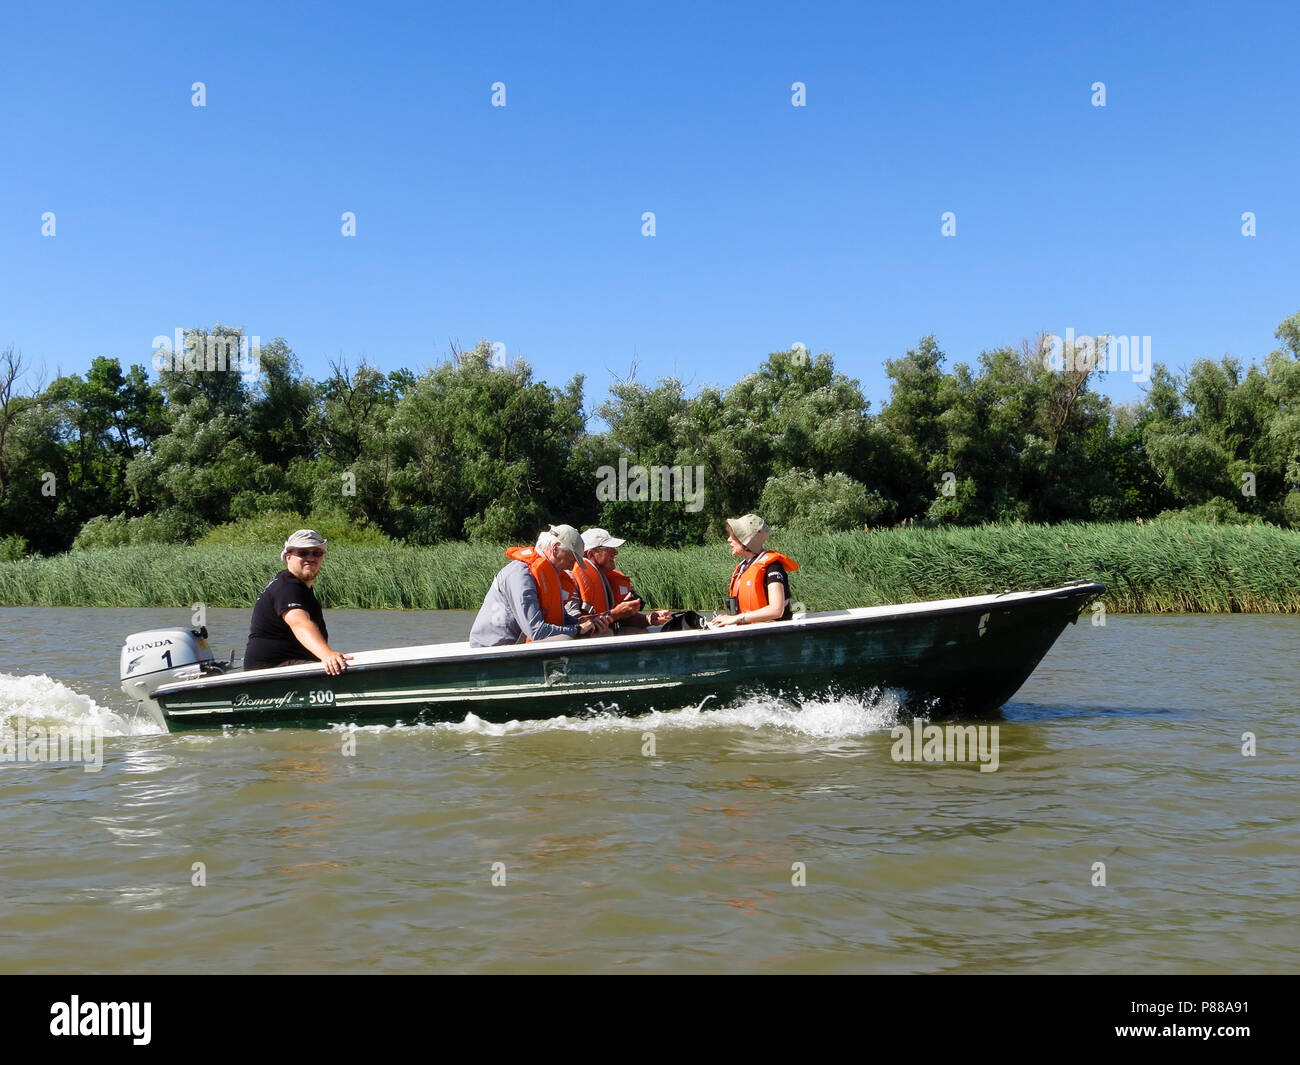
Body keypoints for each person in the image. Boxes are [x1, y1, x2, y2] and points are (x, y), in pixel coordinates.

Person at [469, 525, 613, 647]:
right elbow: (536, 631)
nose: (572, 566)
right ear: (556, 549)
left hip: (520, 646)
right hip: (494, 649)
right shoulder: (520, 575)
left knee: (603, 633)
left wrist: (586, 621)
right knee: (565, 639)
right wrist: (576, 629)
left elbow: (560, 618)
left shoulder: (550, 576)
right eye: (571, 558)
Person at [244, 529, 352, 674]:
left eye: (316, 553)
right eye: (303, 553)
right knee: (340, 668)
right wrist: (326, 654)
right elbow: (299, 623)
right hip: (273, 669)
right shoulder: (287, 587)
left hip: (291, 665)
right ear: (288, 557)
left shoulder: (298, 587)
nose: (311, 557)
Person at [571, 528, 673, 634]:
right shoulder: (572, 579)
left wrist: (649, 619)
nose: (616, 552)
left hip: (607, 633)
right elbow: (574, 624)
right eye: (609, 549)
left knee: (638, 631)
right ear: (591, 554)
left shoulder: (606, 578)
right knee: (608, 633)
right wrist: (615, 613)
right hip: (585, 638)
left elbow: (623, 619)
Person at [708, 513, 800, 628]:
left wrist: (736, 618)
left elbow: (776, 610)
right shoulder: (743, 567)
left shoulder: (773, 567)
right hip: (750, 632)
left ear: (746, 540)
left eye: (733, 536)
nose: (728, 540)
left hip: (773, 635)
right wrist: (728, 619)